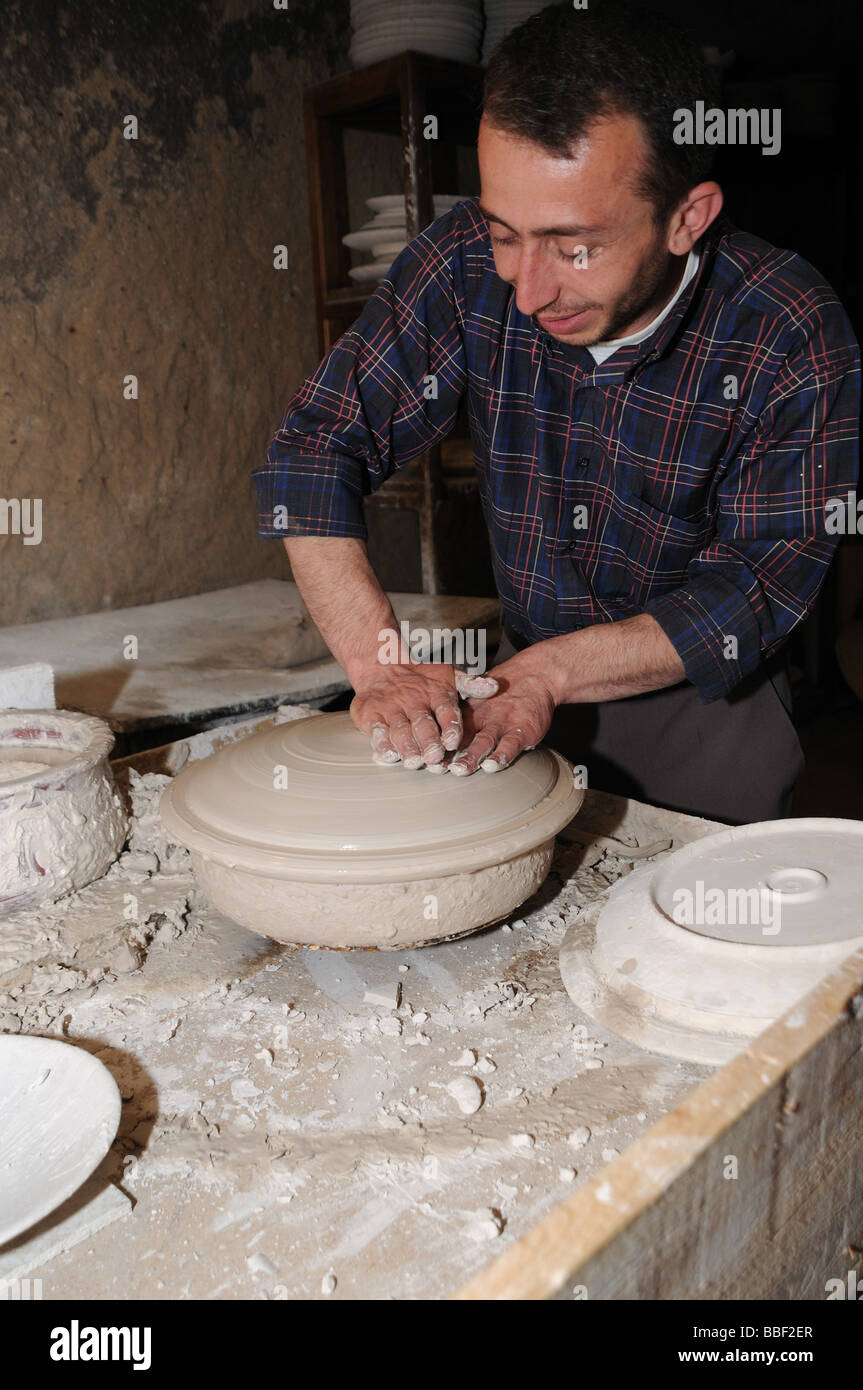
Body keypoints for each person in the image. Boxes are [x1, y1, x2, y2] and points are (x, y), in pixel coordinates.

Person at [253, 2, 860, 824]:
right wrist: (379, 664)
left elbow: (751, 589)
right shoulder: (463, 261)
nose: (528, 291)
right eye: (507, 233)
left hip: (705, 712)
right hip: (513, 678)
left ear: (688, 218)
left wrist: (550, 674)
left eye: (575, 246)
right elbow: (315, 449)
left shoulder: (786, 327)